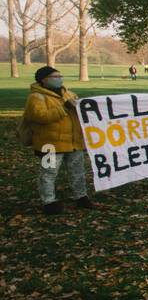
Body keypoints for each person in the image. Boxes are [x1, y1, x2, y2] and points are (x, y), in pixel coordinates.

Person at [22, 66, 95, 215]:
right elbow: (40, 116)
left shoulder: (69, 94)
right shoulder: (36, 97)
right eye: (55, 76)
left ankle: (81, 196)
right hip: (49, 144)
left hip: (74, 142)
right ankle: (49, 201)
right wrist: (64, 108)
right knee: (48, 173)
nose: (59, 78)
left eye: (59, 76)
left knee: (78, 171)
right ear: (44, 80)